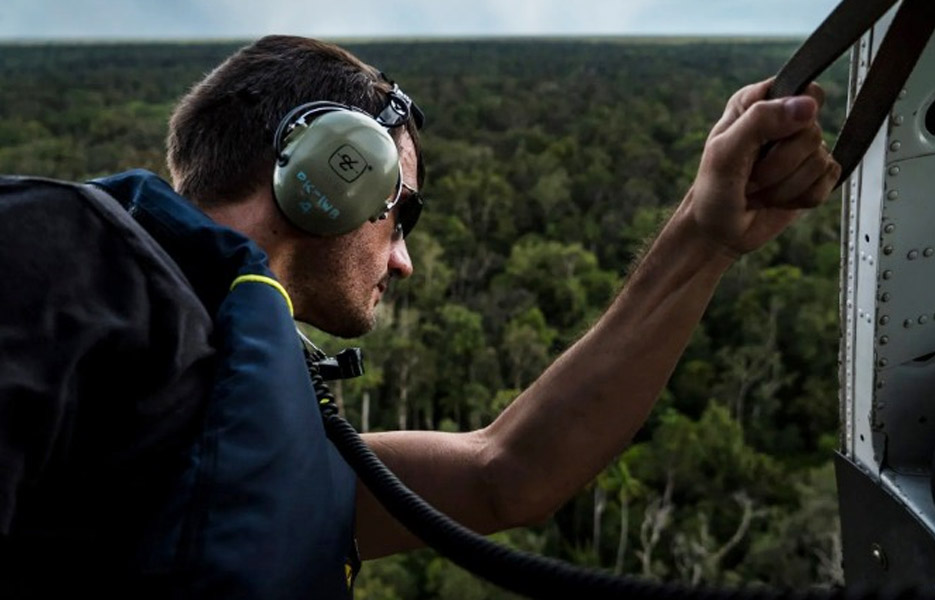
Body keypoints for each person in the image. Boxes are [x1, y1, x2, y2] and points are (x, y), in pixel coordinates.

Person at [0, 35, 839, 598]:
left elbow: (506, 473)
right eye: (400, 213)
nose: (402, 258)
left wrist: (705, 237)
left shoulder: (258, 437)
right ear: (337, 167)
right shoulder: (64, 250)